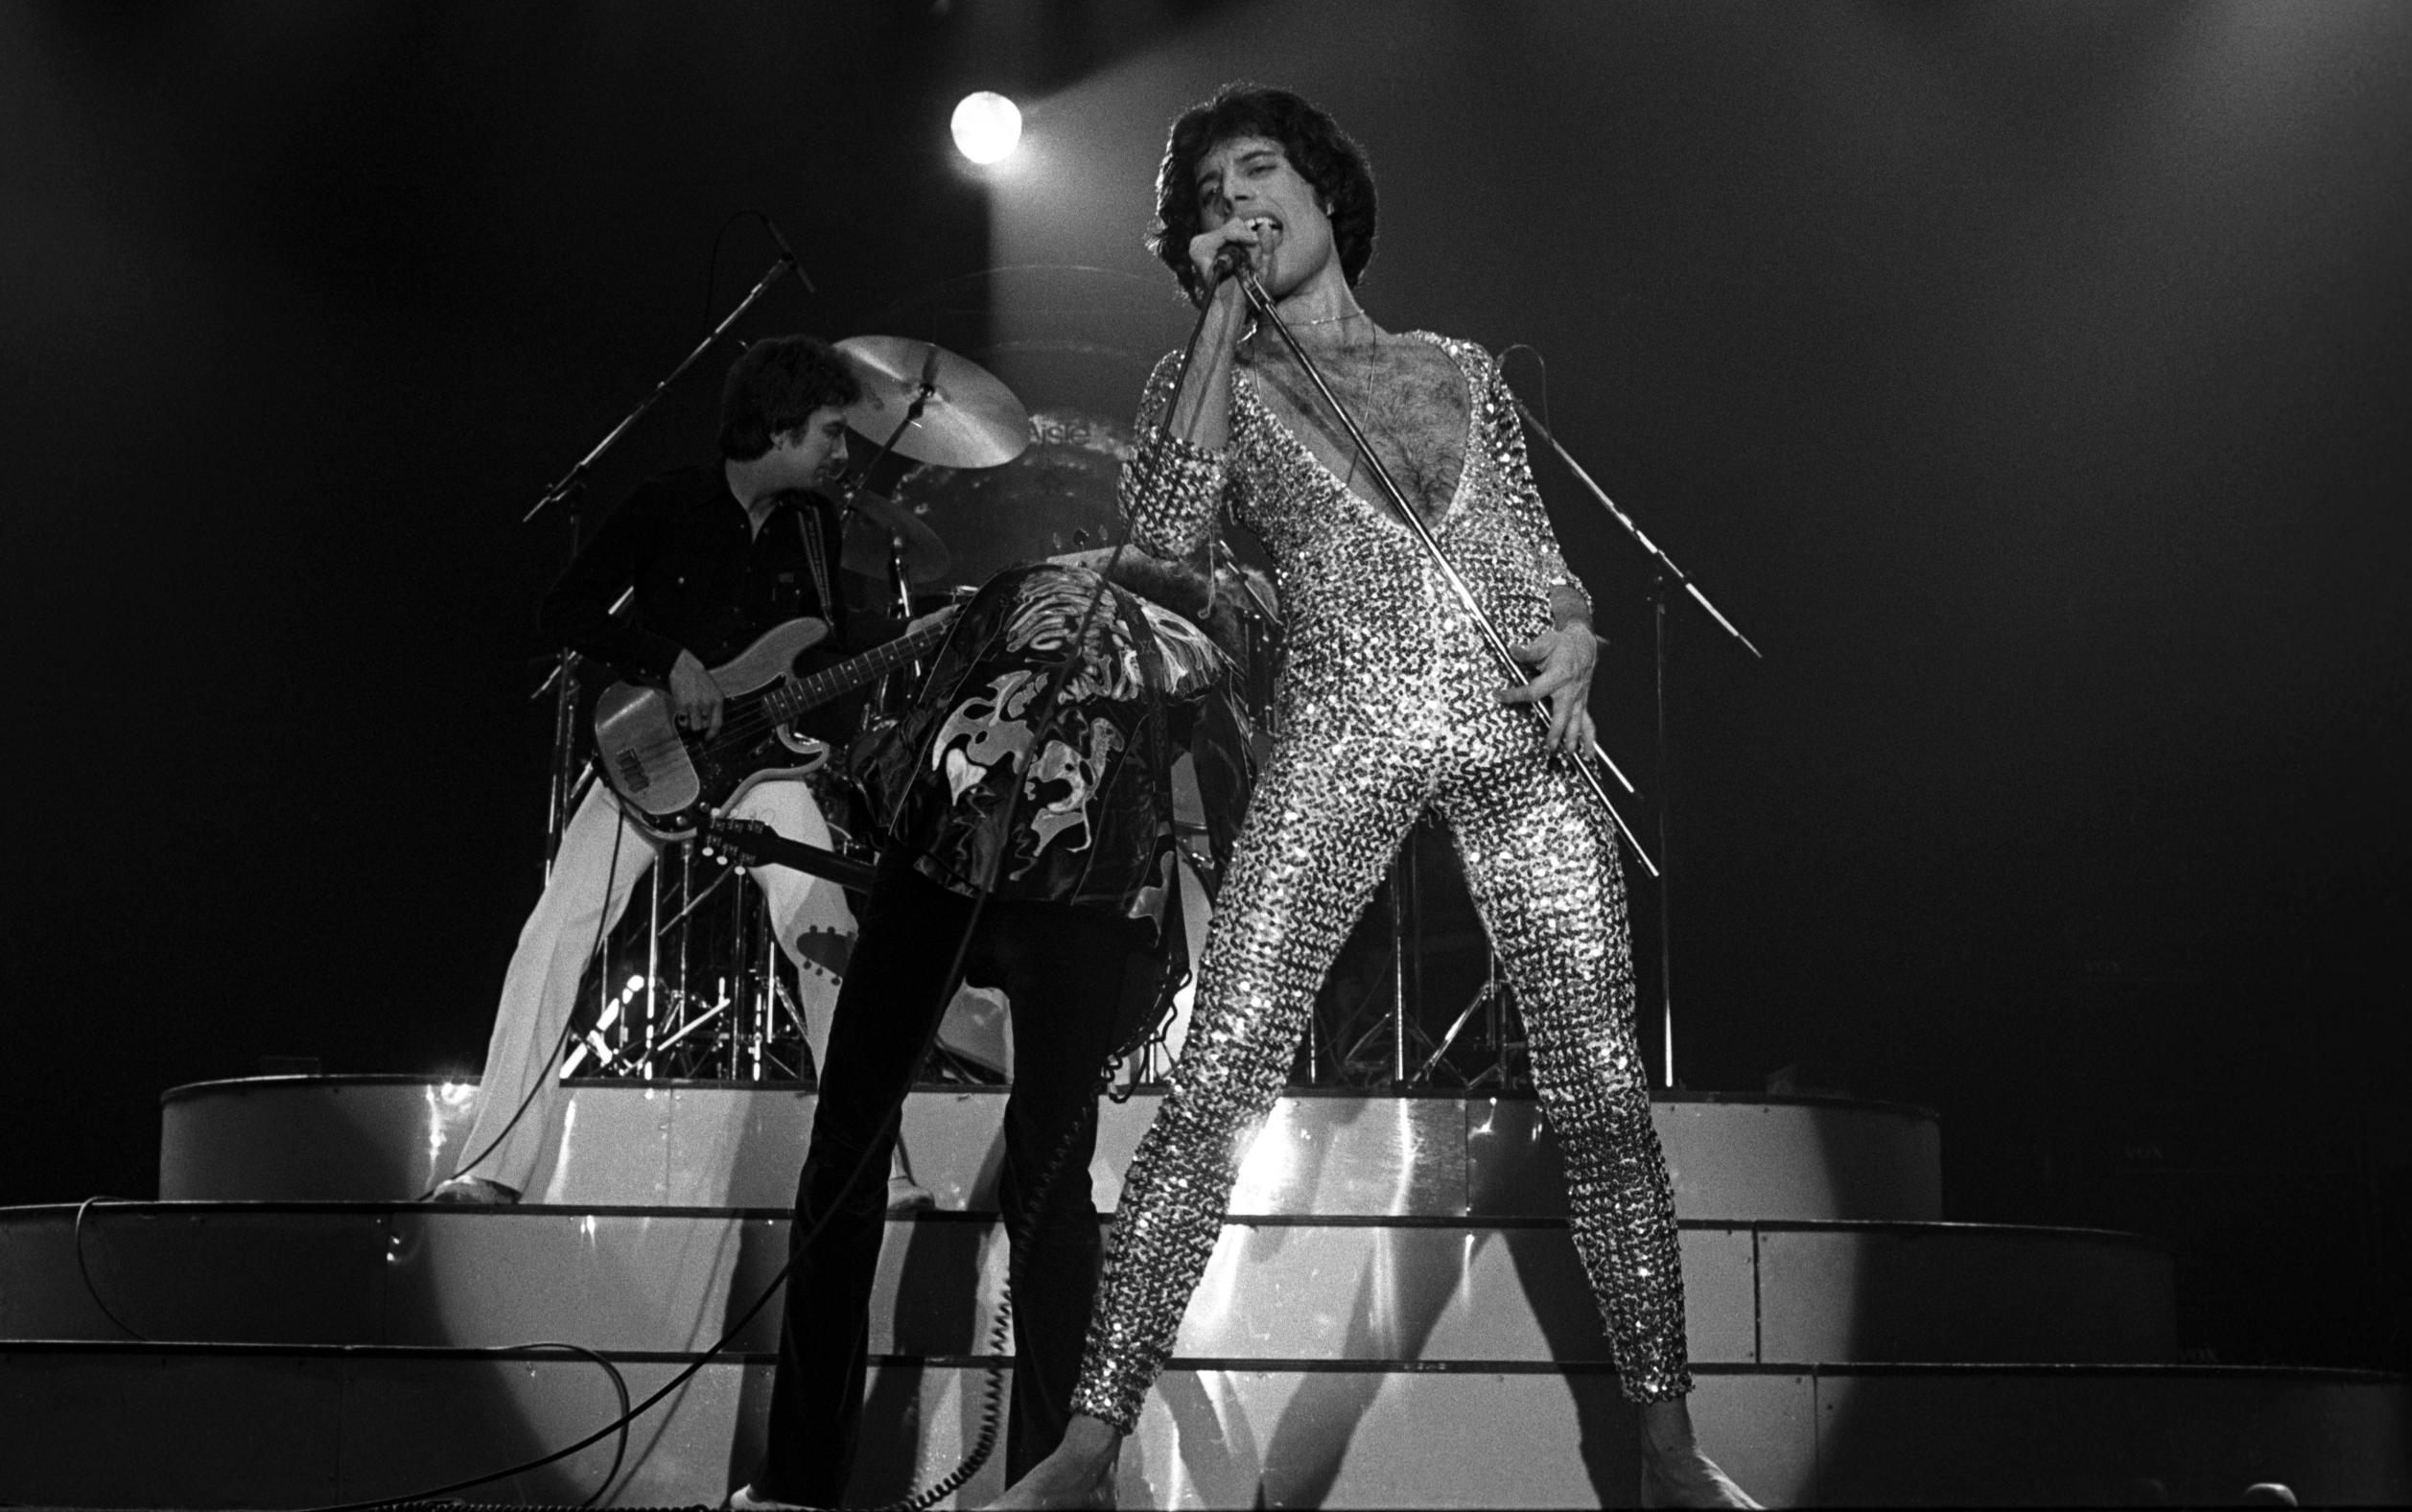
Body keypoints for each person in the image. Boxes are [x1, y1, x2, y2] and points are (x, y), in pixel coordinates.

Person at [989, 86, 1758, 1510]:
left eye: (1259, 172)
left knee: (1599, 1092)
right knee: (1214, 1079)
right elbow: (1158, 539)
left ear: (1328, 195)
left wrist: (1577, 632)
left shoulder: (1456, 366)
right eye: (1209, 196)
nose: (1236, 203)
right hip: (1339, 726)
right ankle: (1083, 1451)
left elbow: (1538, 560)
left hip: (1510, 730)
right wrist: (1216, 317)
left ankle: (1665, 1452)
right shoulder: (1198, 377)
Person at [734, 551, 1253, 1509]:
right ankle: (1048, 1483)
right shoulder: (1201, 660)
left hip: (935, 866)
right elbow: (1219, 824)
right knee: (1050, 1188)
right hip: (1080, 907)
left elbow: (919, 729)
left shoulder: (1012, 585)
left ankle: (796, 1484)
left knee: (846, 1153)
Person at [430, 334, 876, 1205]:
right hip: (653, 755)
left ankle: (869, 1169)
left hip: (767, 767)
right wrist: (665, 657)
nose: (841, 450)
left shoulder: (816, 524)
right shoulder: (666, 503)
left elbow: (827, 642)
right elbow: (562, 609)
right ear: (779, 428)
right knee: (554, 933)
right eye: (829, 431)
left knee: (828, 933)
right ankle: (490, 1169)